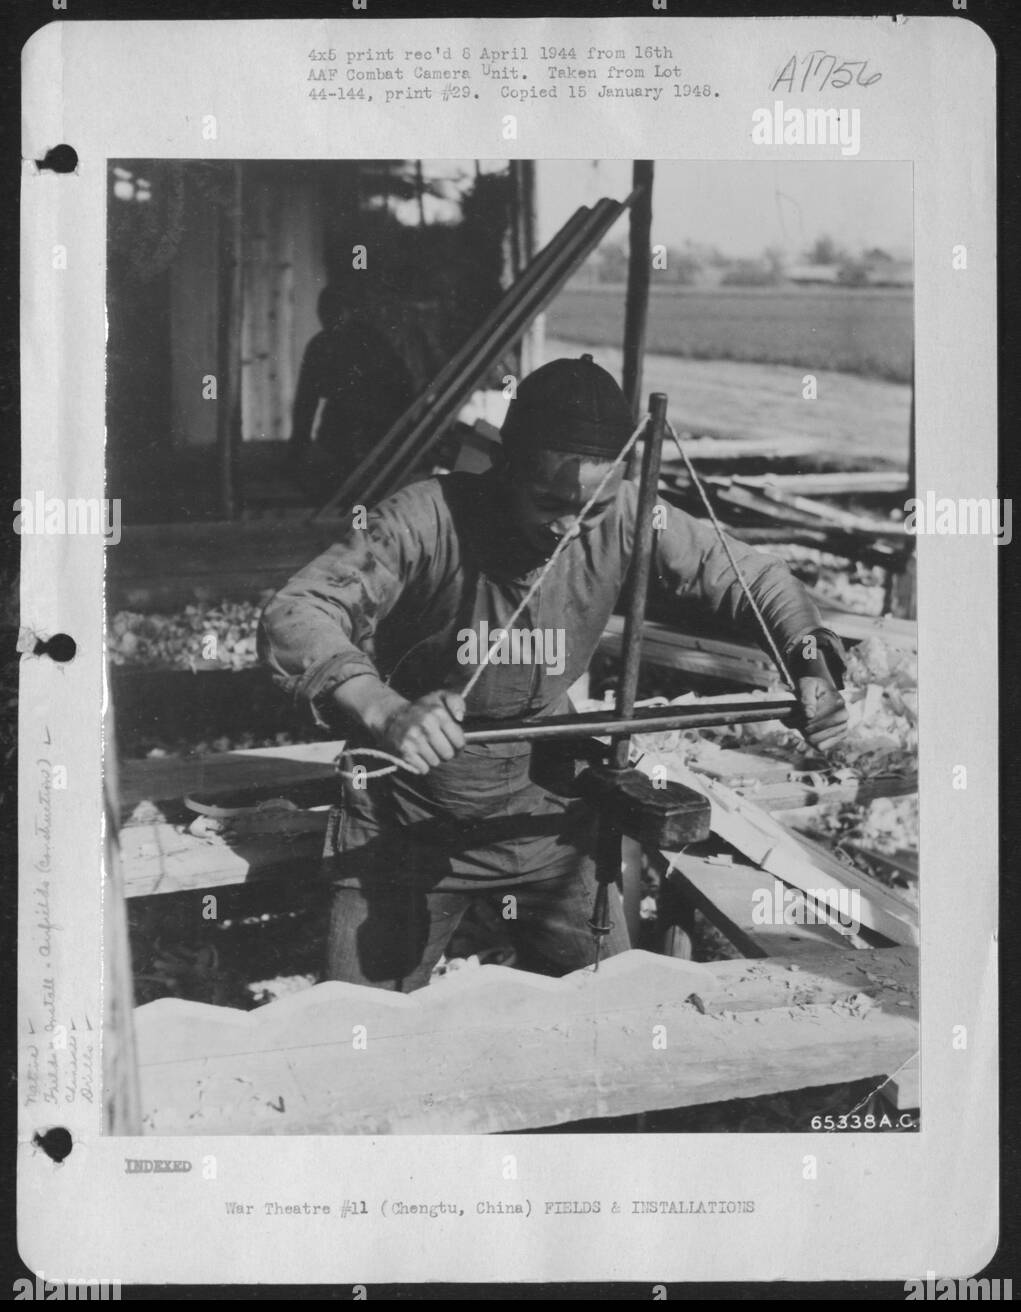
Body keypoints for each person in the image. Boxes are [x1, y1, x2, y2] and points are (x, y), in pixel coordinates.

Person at [259, 355, 848, 991]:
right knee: (357, 1026)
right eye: (547, 502)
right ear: (504, 464)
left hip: (543, 812)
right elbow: (296, 612)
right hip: (407, 816)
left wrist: (808, 659)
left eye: (590, 508)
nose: (568, 528)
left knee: (611, 1011)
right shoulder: (425, 517)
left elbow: (751, 576)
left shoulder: (627, 514)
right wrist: (386, 709)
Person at [288, 284, 415, 503]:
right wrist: (299, 444)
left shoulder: (372, 341)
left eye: (336, 311)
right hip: (338, 427)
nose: (329, 318)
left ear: (349, 311)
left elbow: (402, 386)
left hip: (376, 425)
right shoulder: (319, 346)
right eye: (324, 312)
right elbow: (305, 400)